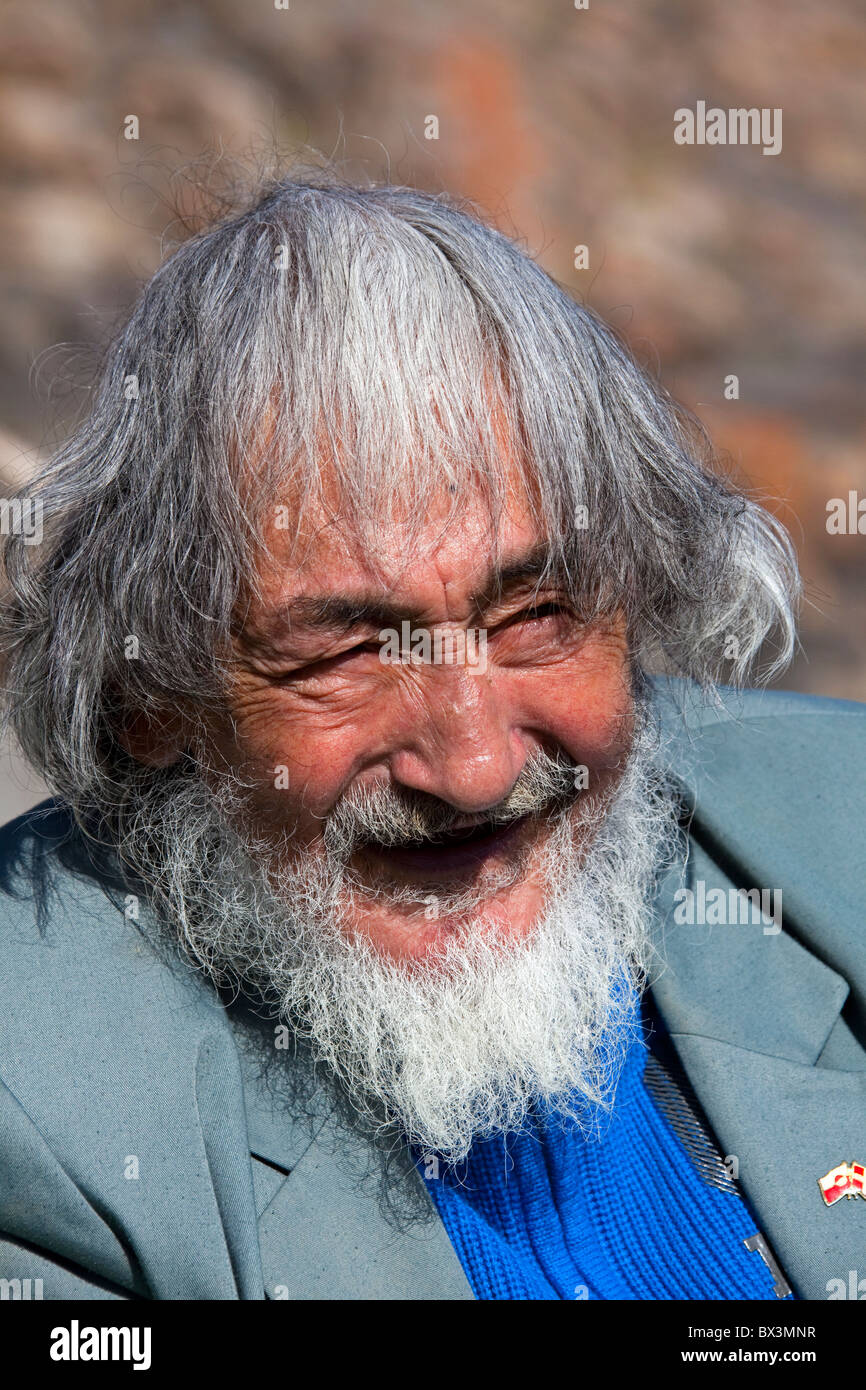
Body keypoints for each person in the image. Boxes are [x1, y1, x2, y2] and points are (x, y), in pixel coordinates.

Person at [0, 174, 862, 1301]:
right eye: (347, 651)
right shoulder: (38, 1110)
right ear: (153, 698)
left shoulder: (834, 822)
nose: (474, 766)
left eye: (535, 616)